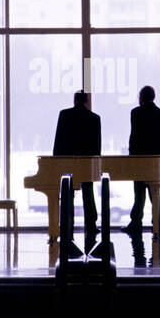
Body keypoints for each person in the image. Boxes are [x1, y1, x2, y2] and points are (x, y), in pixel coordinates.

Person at [123, 85, 160, 235]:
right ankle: (158, 222)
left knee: (139, 194)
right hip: (156, 161)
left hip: (140, 159)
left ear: (141, 97)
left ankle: (136, 222)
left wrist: (132, 156)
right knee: (155, 193)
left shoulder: (136, 113)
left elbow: (135, 136)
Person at [53, 90, 101, 239]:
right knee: (88, 193)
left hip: (68, 161)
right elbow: (97, 144)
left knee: (68, 194)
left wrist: (57, 160)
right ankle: (91, 226)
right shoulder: (94, 118)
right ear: (86, 101)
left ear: (74, 100)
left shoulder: (64, 115)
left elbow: (58, 139)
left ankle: (68, 226)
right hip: (86, 162)